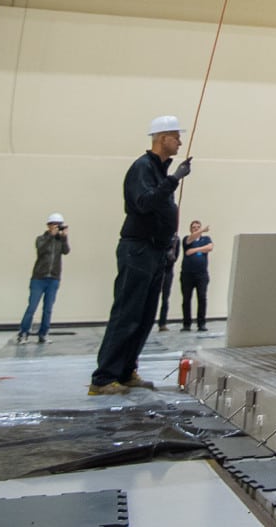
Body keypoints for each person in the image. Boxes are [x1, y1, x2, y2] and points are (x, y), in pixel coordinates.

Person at [89, 115, 192, 396]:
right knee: (127, 313)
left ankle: (125, 371)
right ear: (162, 138)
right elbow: (144, 203)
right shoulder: (142, 168)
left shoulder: (158, 170)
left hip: (156, 251)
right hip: (138, 249)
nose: (180, 141)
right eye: (176, 136)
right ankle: (103, 377)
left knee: (145, 315)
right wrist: (173, 180)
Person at [17, 213, 69, 344]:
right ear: (49, 226)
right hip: (39, 279)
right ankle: (23, 333)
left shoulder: (60, 240)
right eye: (55, 225)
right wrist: (50, 236)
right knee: (32, 307)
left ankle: (43, 334)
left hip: (54, 279)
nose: (57, 227)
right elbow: (40, 249)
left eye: (59, 225)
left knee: (48, 309)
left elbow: (66, 251)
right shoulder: (41, 238)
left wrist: (64, 238)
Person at [179, 220, 213, 332]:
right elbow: (189, 242)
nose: (196, 229)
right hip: (187, 274)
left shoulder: (206, 239)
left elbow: (209, 247)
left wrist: (194, 250)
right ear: (191, 229)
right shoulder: (186, 239)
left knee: (202, 298)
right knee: (186, 299)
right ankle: (186, 324)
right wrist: (202, 230)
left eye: (198, 227)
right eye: (194, 227)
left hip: (202, 274)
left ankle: (201, 323)